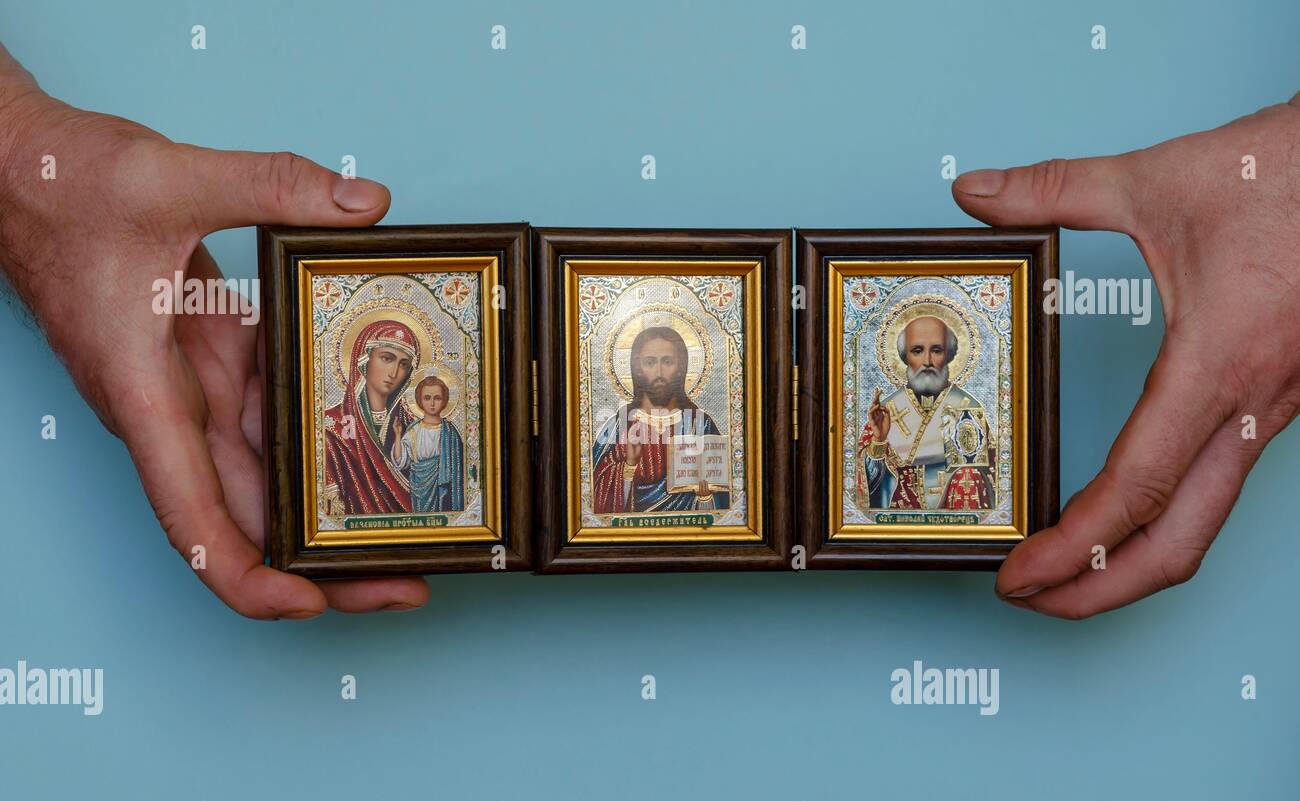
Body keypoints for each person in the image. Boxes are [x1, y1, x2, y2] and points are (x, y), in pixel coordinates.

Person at [0, 38, 1295, 619]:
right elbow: (617, 463)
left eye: (934, 349)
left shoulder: (766, 409)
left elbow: (763, 452)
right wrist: (22, 164)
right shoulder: (596, 413)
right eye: (386, 353)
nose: (929, 360)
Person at [858, 309, 995, 511]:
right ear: (905, 356)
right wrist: (879, 440)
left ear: (949, 355)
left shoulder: (967, 406)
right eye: (917, 350)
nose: (927, 361)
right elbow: (864, 485)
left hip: (955, 510)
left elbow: (992, 474)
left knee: (970, 476)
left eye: (937, 350)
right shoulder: (886, 411)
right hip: (902, 512)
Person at [591, 325, 729, 513]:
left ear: (681, 367)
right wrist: (629, 466)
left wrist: (705, 497)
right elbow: (594, 499)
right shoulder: (620, 425)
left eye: (667, 362)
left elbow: (725, 505)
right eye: (649, 362)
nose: (659, 373)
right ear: (637, 369)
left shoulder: (699, 424)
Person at [323, 319, 419, 517]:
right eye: (387, 358)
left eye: (404, 364)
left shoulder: (414, 427)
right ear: (364, 360)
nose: (394, 372)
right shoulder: (331, 428)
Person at [390, 375, 465, 513]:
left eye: (437, 398)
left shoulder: (450, 432)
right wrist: (398, 434)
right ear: (419, 400)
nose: (432, 403)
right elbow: (400, 461)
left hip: (444, 489)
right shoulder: (414, 431)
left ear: (444, 401)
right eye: (427, 398)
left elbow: (458, 467)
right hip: (419, 487)